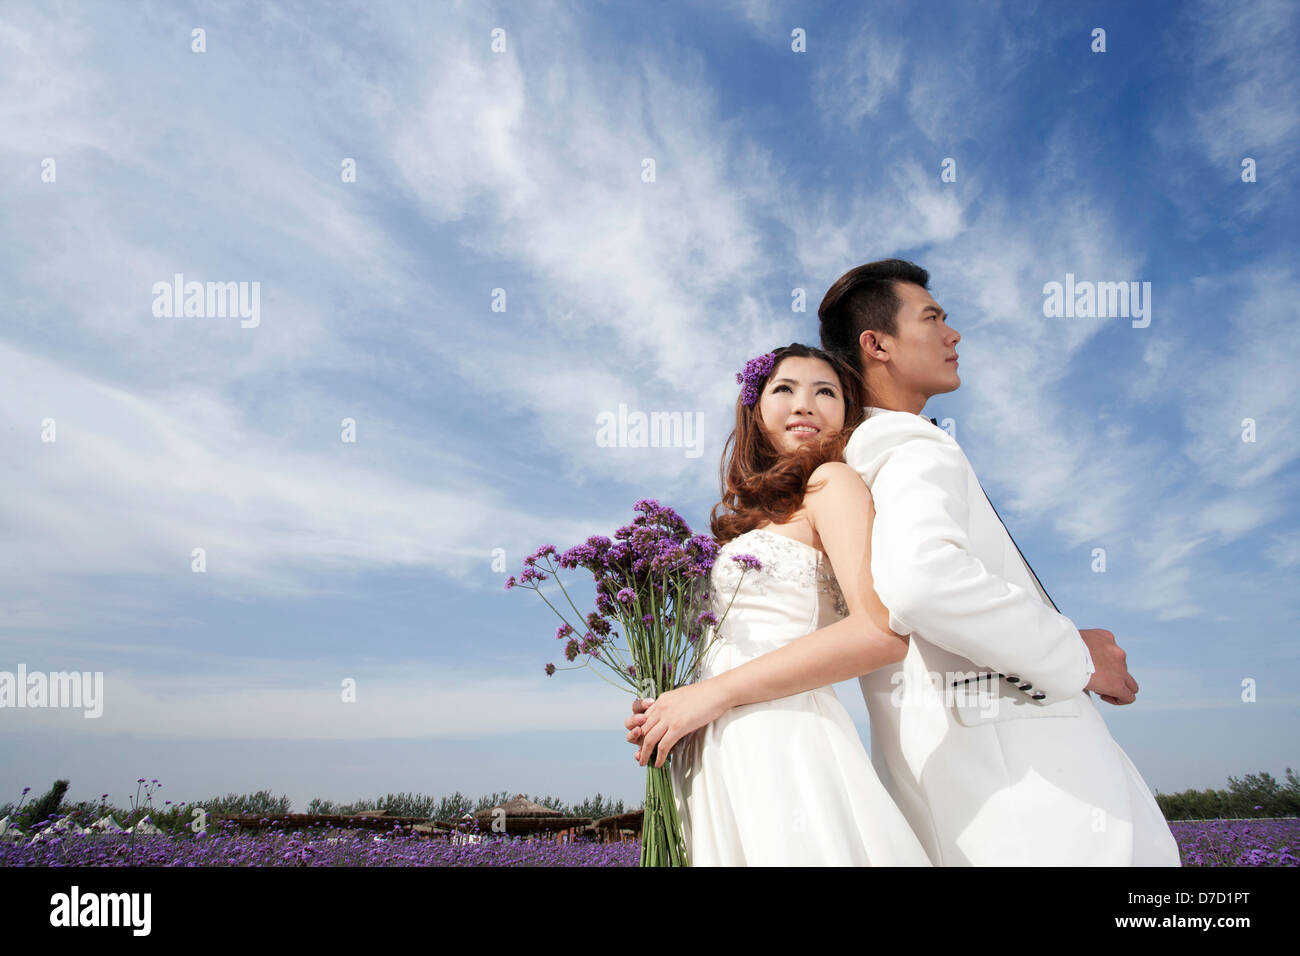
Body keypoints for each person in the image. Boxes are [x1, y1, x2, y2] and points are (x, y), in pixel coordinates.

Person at [632, 258, 1181, 866]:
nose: (954, 334)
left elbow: (885, 621)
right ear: (876, 344)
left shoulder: (846, 471)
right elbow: (923, 586)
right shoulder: (901, 443)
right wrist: (1071, 654)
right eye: (934, 317)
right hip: (1013, 769)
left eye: (824, 391)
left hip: (872, 752)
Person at [636, 342, 932, 865]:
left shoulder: (831, 484)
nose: (805, 404)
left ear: (847, 411)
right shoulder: (746, 524)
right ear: (755, 410)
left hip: (782, 736)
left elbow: (880, 632)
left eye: (826, 392)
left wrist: (713, 695)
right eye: (785, 389)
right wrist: (670, 704)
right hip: (710, 748)